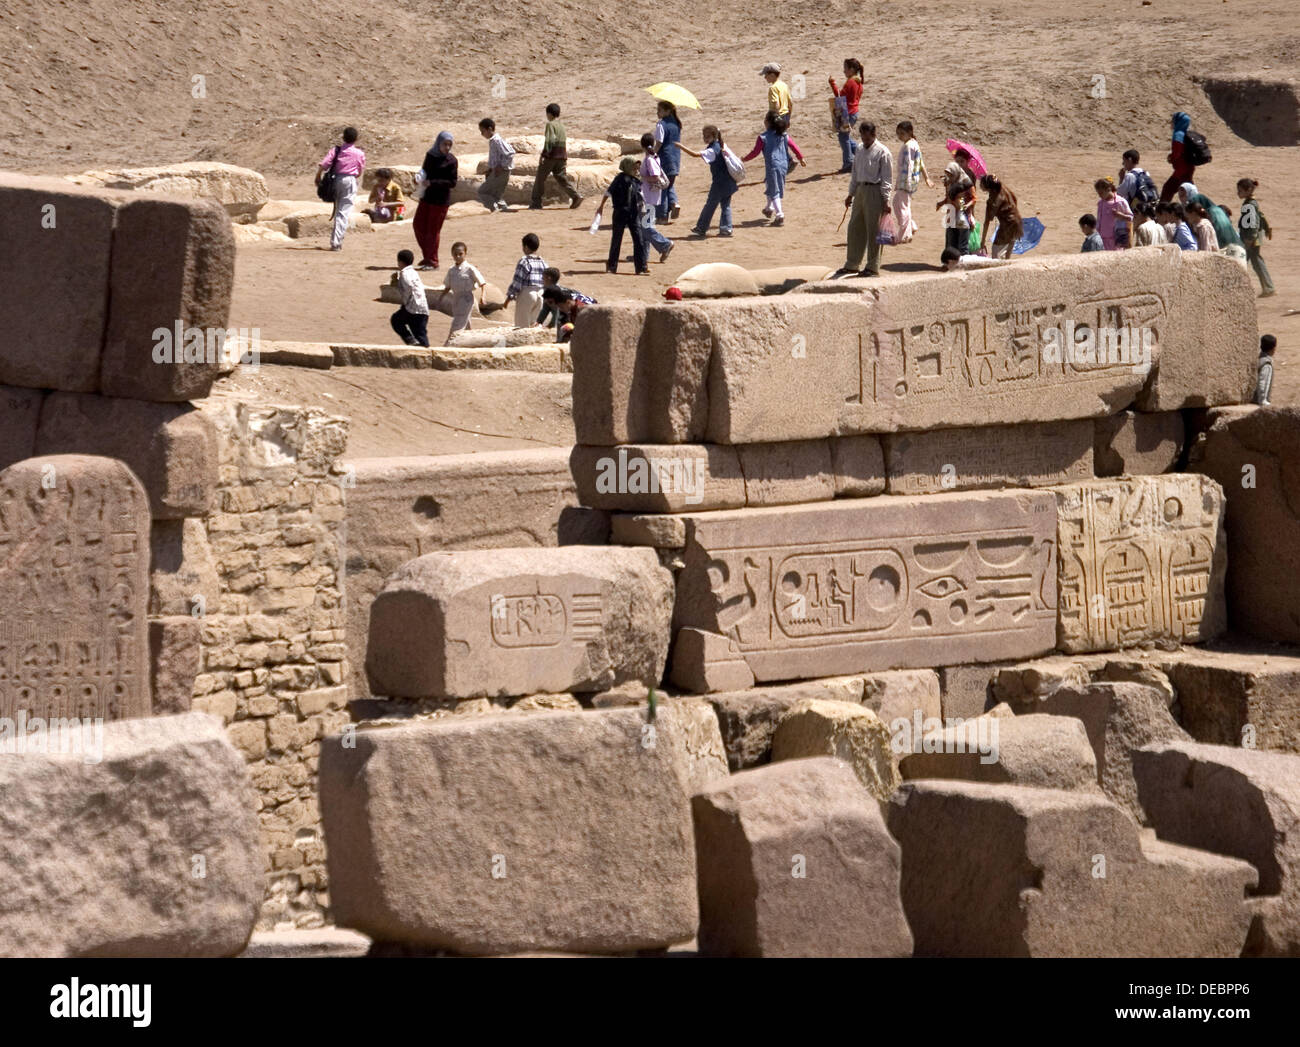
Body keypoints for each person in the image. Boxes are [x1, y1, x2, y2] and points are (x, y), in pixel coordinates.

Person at [832, 121, 892, 277]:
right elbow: (855, 174)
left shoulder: (883, 152)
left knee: (873, 230)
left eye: (867, 137)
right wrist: (850, 194)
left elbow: (887, 179)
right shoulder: (858, 149)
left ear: (874, 135)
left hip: (875, 192)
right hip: (860, 191)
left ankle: (873, 266)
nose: (865, 140)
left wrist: (886, 200)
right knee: (855, 227)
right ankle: (852, 264)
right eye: (862, 137)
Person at [741, 112, 805, 226]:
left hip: (772, 166)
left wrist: (745, 159)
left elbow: (755, 152)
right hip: (784, 165)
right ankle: (768, 208)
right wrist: (801, 158)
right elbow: (794, 147)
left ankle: (779, 214)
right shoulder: (784, 135)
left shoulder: (763, 137)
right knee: (770, 184)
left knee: (774, 190)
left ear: (767, 122)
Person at [595, 157, 649, 274]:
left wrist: (643, 209)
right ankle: (611, 266)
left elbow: (639, 196)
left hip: (633, 214)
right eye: (634, 167)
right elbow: (608, 192)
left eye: (637, 168)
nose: (636, 170)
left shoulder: (636, 180)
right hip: (620, 212)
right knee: (617, 239)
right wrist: (601, 207)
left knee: (639, 239)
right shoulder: (619, 179)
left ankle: (641, 267)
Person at [316, 127, 365, 251]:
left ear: (343, 138)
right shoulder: (359, 153)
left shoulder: (336, 150)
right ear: (356, 139)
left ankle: (336, 240)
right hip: (350, 180)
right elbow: (359, 170)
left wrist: (318, 176)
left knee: (339, 210)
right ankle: (336, 242)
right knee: (343, 212)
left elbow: (324, 164)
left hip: (336, 180)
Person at [413, 131, 457, 270]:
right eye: (445, 144)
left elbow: (452, 182)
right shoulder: (430, 156)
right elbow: (424, 171)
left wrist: (433, 183)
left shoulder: (451, 161)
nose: (447, 147)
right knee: (418, 225)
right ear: (439, 143)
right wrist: (418, 179)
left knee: (433, 231)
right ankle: (427, 256)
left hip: (440, 201)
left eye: (449, 145)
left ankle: (433, 261)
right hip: (427, 197)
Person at [683, 126, 737, 238]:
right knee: (725, 205)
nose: (705, 138)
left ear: (714, 136)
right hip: (729, 181)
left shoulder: (712, 150)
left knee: (710, 205)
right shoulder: (720, 145)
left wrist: (680, 146)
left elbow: (695, 155)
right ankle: (726, 228)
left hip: (719, 183)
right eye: (704, 136)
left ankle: (701, 227)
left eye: (707, 136)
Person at [530, 103, 582, 210]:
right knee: (561, 178)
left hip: (551, 156)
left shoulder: (550, 124)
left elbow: (549, 140)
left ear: (549, 114)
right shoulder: (562, 126)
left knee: (540, 178)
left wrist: (544, 154)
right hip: (562, 156)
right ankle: (575, 196)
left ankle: (536, 202)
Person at [433, 241, 488, 342]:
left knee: (458, 322)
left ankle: (450, 342)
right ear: (452, 255)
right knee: (465, 321)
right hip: (456, 299)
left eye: (460, 254)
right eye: (455, 254)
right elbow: (448, 286)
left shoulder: (470, 269)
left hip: (466, 299)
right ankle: (471, 341)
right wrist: (440, 298)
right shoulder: (451, 270)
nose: (458, 256)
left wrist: (483, 296)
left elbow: (482, 283)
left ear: (465, 254)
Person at [893, 121, 933, 243]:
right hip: (909, 180)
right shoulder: (913, 143)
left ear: (910, 133)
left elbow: (909, 165)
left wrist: (906, 182)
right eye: (898, 133)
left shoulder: (908, 146)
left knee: (902, 207)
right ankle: (911, 226)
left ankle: (904, 234)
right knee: (899, 204)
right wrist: (926, 178)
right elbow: (920, 163)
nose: (900, 136)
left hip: (906, 181)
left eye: (902, 133)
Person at [638, 133, 674, 261]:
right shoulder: (654, 157)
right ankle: (642, 255)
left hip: (648, 198)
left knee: (646, 228)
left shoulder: (649, 159)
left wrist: (641, 178)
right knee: (645, 227)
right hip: (650, 197)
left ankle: (665, 244)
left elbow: (655, 177)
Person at [1237, 177, 1275, 297]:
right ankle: (1268, 287)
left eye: (1240, 191)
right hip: (1252, 238)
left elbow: (1253, 223)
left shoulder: (1250, 205)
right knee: (1253, 262)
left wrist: (1250, 238)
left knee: (1245, 262)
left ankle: (1268, 288)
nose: (1238, 193)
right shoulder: (1251, 203)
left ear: (1248, 190)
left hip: (1250, 239)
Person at [504, 233, 548, 326]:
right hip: (541, 294)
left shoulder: (524, 261)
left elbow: (517, 282)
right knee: (534, 325)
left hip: (527, 294)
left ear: (526, 247)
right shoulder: (543, 262)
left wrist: (509, 298)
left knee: (522, 325)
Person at [828, 59, 864, 172]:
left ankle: (849, 162)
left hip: (847, 113)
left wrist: (832, 83)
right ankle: (861, 153)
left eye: (846, 68)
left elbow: (839, 96)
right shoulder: (858, 82)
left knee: (843, 137)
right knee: (845, 136)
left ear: (851, 70)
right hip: (853, 112)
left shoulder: (851, 82)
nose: (844, 71)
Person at [390, 249, 430, 347]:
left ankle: (410, 340)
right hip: (422, 308)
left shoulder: (404, 273)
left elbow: (408, 285)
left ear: (400, 262)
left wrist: (405, 300)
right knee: (419, 334)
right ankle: (418, 345)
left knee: (396, 320)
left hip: (412, 307)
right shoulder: (413, 272)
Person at [652, 101, 683, 222]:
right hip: (675, 158)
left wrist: (652, 155)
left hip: (664, 158)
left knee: (662, 188)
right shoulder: (676, 123)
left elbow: (659, 143)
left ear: (668, 111)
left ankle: (662, 216)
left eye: (659, 110)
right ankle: (674, 203)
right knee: (669, 183)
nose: (657, 112)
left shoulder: (661, 124)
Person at [978, 174, 1022, 259]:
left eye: (981, 184)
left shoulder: (991, 201)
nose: (980, 185)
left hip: (1007, 226)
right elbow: (1015, 199)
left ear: (988, 188)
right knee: (1008, 254)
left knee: (995, 251)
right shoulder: (1004, 189)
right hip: (1017, 222)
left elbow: (987, 222)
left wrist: (983, 241)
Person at [477, 118, 516, 212]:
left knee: (482, 191)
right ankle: (503, 208)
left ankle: (493, 208)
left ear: (490, 129)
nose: (482, 134)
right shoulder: (493, 141)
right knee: (497, 194)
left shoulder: (497, 140)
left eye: (483, 131)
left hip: (500, 172)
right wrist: (490, 169)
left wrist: (501, 166)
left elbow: (510, 153)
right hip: (498, 171)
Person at [937, 162, 973, 255]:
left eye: (951, 174)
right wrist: (942, 203)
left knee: (962, 245)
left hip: (961, 215)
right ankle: (948, 264)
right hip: (950, 214)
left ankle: (964, 264)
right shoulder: (948, 182)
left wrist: (965, 206)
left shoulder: (966, 182)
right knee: (950, 241)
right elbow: (948, 197)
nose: (949, 176)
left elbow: (972, 198)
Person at [1162, 112, 1198, 202]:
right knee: (1188, 191)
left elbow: (1177, 151)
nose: (1172, 122)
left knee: (1169, 189)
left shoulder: (1178, 134)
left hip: (1181, 170)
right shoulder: (1186, 133)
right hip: (1188, 168)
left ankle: (1161, 212)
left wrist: (1171, 158)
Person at [1095, 177, 1133, 250]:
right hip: (1102, 239)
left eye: (1101, 193)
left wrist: (1120, 215)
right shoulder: (1101, 203)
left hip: (1116, 240)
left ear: (1108, 189)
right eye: (1098, 193)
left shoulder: (1120, 202)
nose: (1099, 195)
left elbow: (1130, 218)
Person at [1255, 334, 1276, 405]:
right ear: (1273, 348)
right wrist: (1263, 400)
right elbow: (1263, 383)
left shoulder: (1259, 359)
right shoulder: (1266, 364)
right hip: (1260, 403)